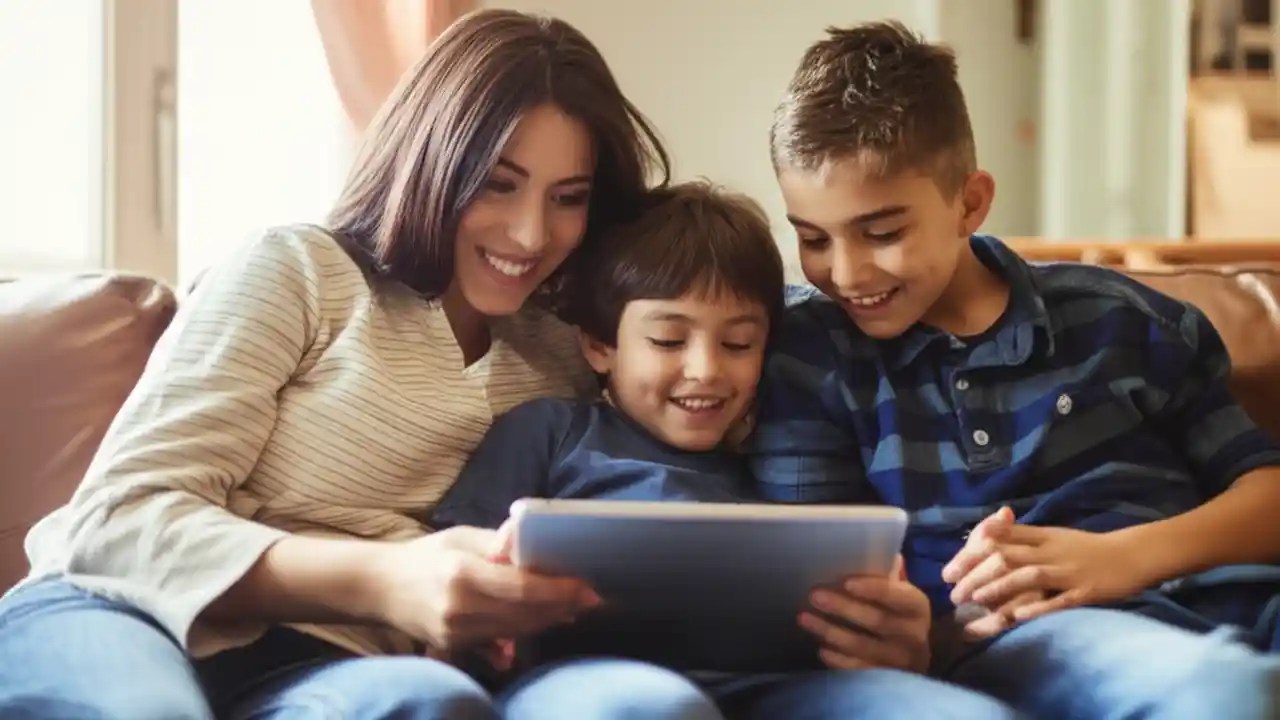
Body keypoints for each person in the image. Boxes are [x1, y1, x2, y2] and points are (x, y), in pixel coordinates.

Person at [0, 9, 755, 720]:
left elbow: (717, 333)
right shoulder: (300, 271)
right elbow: (118, 520)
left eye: (569, 197)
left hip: (332, 661)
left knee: (428, 703)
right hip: (120, 606)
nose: (531, 234)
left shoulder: (572, 351)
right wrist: (388, 579)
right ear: (430, 162)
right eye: (497, 184)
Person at [749, 19, 1280, 719]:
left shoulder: (1119, 318)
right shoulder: (809, 358)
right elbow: (817, 587)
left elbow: (1265, 491)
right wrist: (925, 638)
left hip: (1236, 597)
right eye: (813, 238)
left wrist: (1123, 557)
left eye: (882, 233)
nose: (845, 274)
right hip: (1057, 636)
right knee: (1223, 689)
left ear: (970, 203)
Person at [433, 181, 1025, 719]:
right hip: (589, 677)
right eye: (668, 340)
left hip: (784, 683)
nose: (706, 370)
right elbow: (450, 574)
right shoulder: (552, 431)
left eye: (739, 344)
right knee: (655, 709)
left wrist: (903, 642)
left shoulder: (789, 448)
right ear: (598, 345)